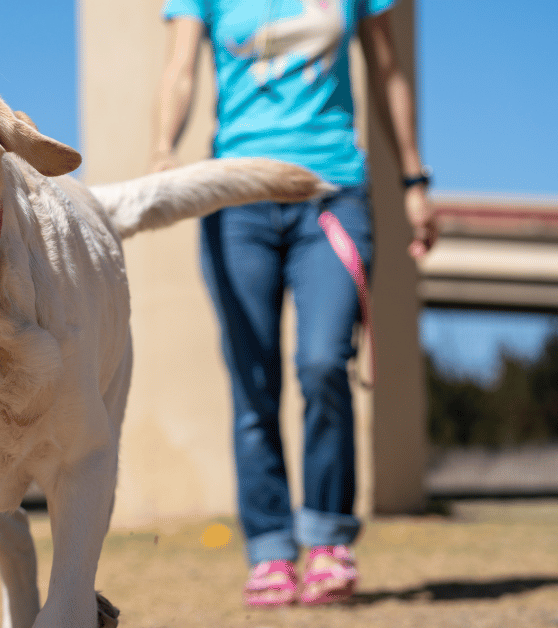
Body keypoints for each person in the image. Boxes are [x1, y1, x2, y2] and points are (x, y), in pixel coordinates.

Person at [149, 0, 436, 607]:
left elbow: (388, 72)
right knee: (254, 384)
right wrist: (162, 153)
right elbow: (179, 69)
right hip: (238, 197)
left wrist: (414, 181)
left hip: (331, 195)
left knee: (324, 362)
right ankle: (272, 549)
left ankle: (329, 538)